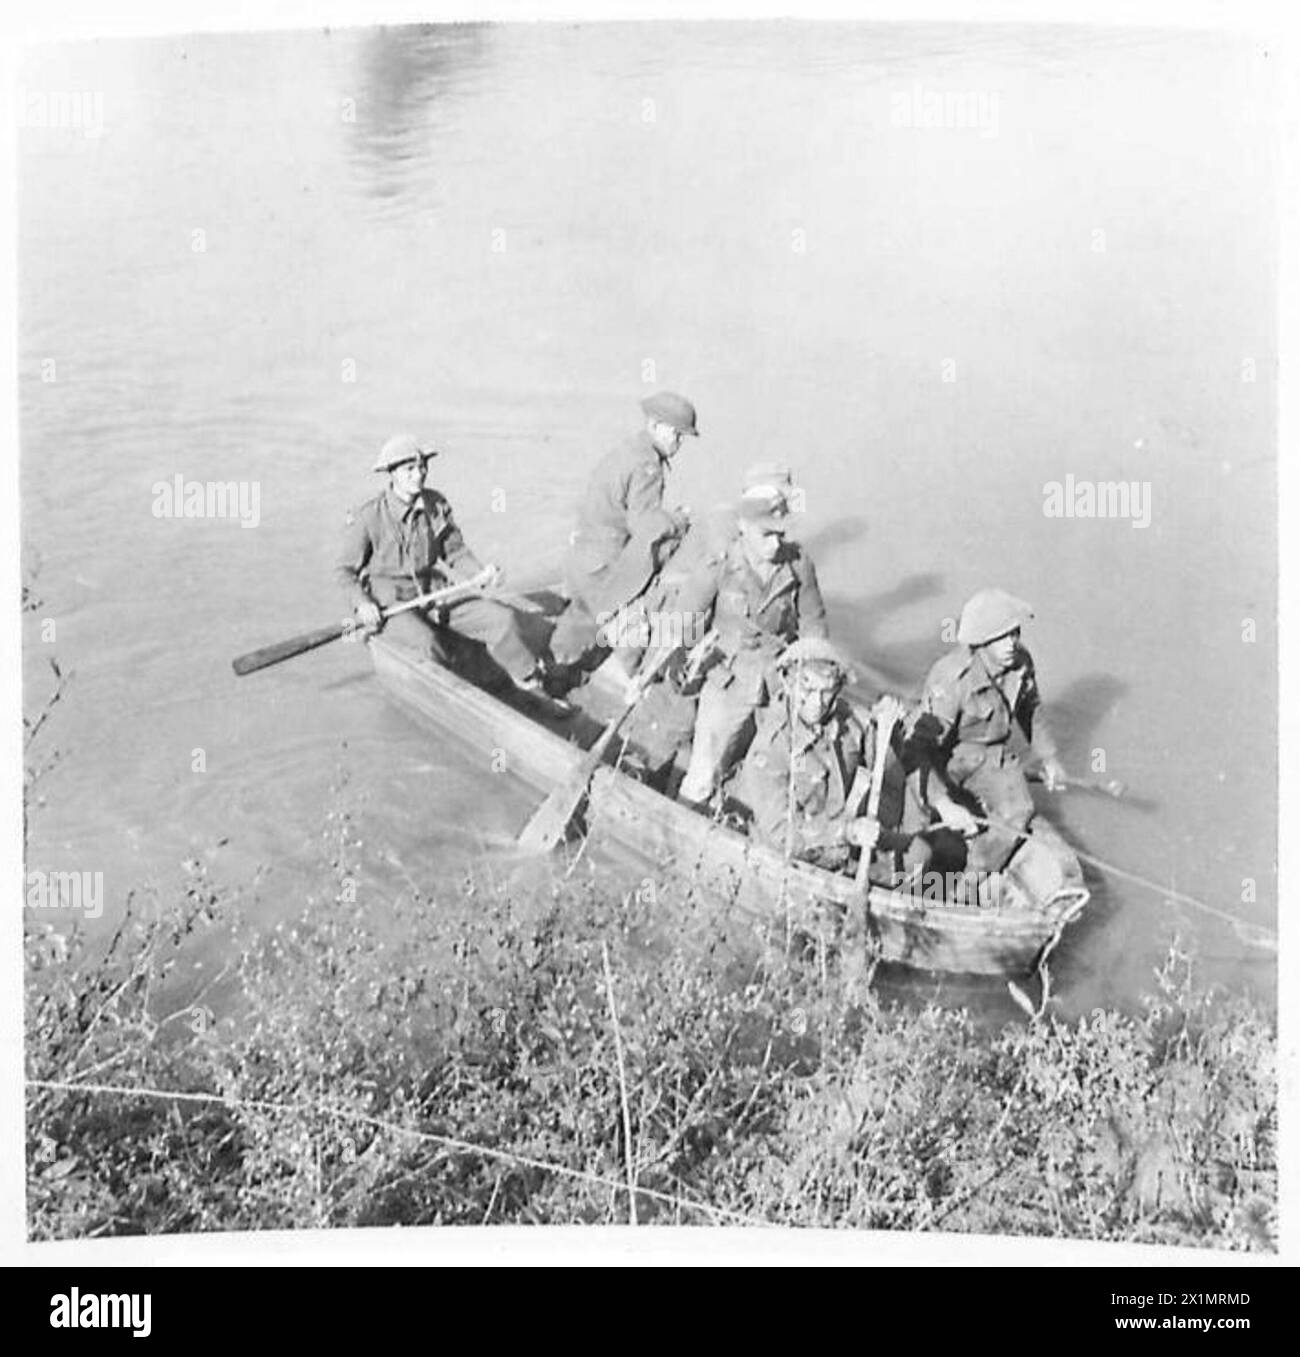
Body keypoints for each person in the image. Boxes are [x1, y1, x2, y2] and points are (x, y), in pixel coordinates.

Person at [648, 473, 828, 809]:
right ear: (744, 526)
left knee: (775, 765)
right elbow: (683, 615)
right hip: (728, 678)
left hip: (779, 680)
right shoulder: (722, 563)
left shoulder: (798, 565)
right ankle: (687, 812)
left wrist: (812, 673)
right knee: (703, 769)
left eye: (780, 534)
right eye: (766, 534)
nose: (775, 544)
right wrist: (675, 659)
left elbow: (813, 623)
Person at [335, 434, 554, 699]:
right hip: (390, 600)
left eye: (422, 467)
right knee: (427, 645)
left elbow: (455, 552)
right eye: (410, 470)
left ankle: (531, 684)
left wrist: (480, 573)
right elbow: (344, 571)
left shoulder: (435, 504)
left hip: (434, 588)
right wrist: (362, 604)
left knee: (502, 620)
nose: (419, 475)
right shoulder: (369, 515)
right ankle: (453, 698)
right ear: (392, 474)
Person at [734, 639, 970, 879]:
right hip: (797, 854)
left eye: (826, 692)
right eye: (807, 691)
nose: (817, 702)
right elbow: (780, 834)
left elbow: (896, 763)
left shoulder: (847, 721)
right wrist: (845, 832)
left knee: (919, 855)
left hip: (848, 840)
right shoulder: (771, 748)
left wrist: (887, 730)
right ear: (788, 684)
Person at [913, 588, 1068, 873]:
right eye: (1001, 636)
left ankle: (973, 880)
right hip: (944, 757)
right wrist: (942, 801)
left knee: (1018, 812)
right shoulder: (952, 677)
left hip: (989, 757)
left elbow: (1030, 710)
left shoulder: (1020, 664)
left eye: (1014, 633)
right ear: (982, 641)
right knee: (923, 824)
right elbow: (920, 749)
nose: (1011, 643)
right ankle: (929, 874)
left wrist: (1049, 758)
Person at [548, 391, 698, 671]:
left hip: (582, 556)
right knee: (631, 630)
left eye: (682, 437)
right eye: (675, 435)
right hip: (606, 566)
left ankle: (552, 670)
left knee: (583, 614)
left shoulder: (629, 450)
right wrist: (677, 521)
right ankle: (635, 685)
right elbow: (645, 526)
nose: (678, 443)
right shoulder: (648, 465)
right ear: (654, 425)